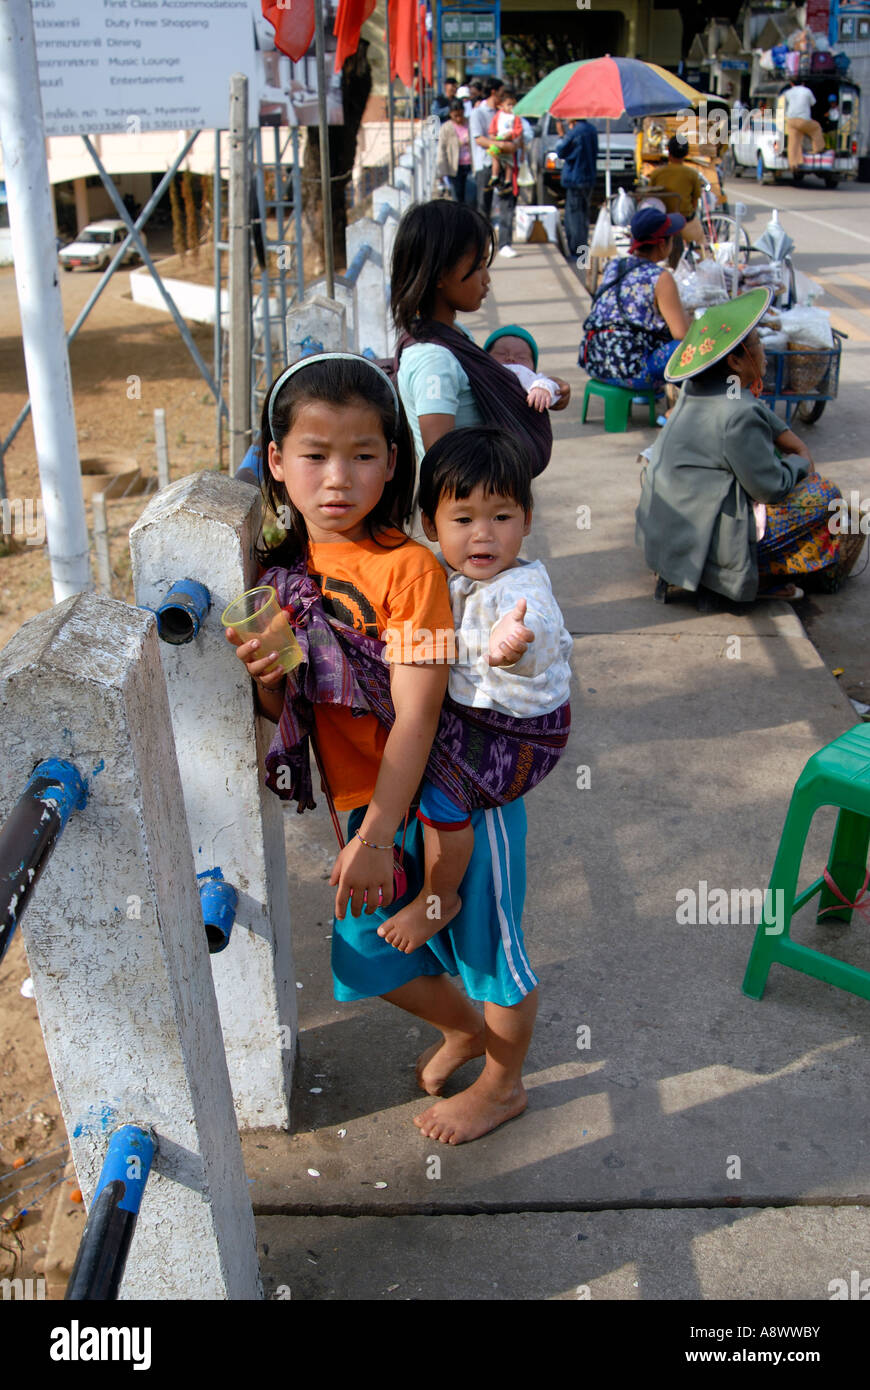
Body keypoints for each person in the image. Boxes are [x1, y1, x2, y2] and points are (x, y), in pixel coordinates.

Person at [226, 353, 548, 1145]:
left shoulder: (408, 570)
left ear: (392, 462)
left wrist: (376, 838)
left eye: (363, 455)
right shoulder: (280, 574)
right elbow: (286, 711)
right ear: (276, 460)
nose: (339, 477)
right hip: (354, 801)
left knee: (487, 952)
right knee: (367, 953)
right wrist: (268, 677)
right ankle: (468, 1033)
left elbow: (417, 713)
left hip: (445, 799)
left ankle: (505, 1085)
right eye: (315, 454)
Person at [377, 426, 572, 955]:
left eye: (502, 517)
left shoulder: (520, 590)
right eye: (463, 519)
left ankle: (440, 900)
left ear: (526, 520)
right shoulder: (444, 570)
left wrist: (516, 645)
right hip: (489, 713)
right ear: (430, 526)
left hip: (522, 734)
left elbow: (543, 636)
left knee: (444, 795)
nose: (483, 535)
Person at [635, 289, 849, 604]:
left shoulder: (697, 388)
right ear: (735, 361)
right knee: (825, 496)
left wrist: (787, 442)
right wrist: (801, 461)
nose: (764, 352)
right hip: (704, 542)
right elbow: (770, 487)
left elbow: (752, 415)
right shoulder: (738, 415)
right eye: (758, 345)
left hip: (670, 535)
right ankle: (755, 576)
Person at [390, 200, 570, 469]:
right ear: (439, 274)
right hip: (468, 504)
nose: (487, 279)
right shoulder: (434, 360)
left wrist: (543, 387)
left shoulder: (455, 335)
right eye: (478, 267)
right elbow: (442, 461)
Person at [580, 206, 691, 392]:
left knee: (642, 341)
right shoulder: (661, 278)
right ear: (663, 245)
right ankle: (689, 406)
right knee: (688, 349)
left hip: (595, 362)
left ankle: (646, 398)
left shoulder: (615, 266)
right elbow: (681, 335)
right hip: (630, 373)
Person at [646, 135, 707, 257]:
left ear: (668, 151)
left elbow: (650, 198)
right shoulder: (692, 174)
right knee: (701, 248)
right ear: (686, 154)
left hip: (662, 222)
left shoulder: (657, 173)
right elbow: (695, 201)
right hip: (686, 221)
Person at [484, 325, 562, 411]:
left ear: (533, 368)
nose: (511, 358)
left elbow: (549, 385)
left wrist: (542, 390)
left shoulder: (532, 379)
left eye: (521, 357)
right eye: (501, 353)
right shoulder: (481, 372)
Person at [554, 117, 598, 255]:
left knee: (575, 219)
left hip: (576, 179)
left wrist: (561, 135)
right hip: (588, 178)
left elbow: (561, 151)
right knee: (582, 218)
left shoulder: (575, 132)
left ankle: (578, 254)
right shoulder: (592, 130)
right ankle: (581, 253)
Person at [469, 77, 504, 220]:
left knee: (506, 202)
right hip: (485, 164)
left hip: (504, 162)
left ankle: (504, 241)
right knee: (483, 206)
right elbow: (479, 139)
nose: (503, 96)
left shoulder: (503, 112)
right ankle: (483, 238)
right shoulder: (478, 113)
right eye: (501, 93)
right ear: (494, 92)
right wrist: (500, 145)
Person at [436, 99, 474, 203]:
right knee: (457, 196)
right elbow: (441, 149)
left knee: (471, 196)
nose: (458, 118)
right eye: (455, 116)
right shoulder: (446, 128)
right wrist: (442, 171)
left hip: (471, 165)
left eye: (460, 115)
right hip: (455, 167)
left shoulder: (470, 123)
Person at [783, 79, 824, 171]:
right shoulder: (807, 91)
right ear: (803, 83)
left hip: (791, 120)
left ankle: (794, 164)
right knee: (816, 128)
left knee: (793, 142)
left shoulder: (788, 92)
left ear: (791, 83)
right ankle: (818, 149)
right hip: (803, 120)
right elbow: (813, 103)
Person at [486, 87, 522, 193]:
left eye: (513, 105)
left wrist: (511, 135)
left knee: (508, 163)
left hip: (509, 142)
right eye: (508, 104)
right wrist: (492, 135)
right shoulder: (499, 115)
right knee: (495, 157)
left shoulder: (515, 116)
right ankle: (494, 176)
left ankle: (507, 181)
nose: (511, 107)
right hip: (498, 141)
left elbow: (518, 130)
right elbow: (493, 126)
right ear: (502, 105)